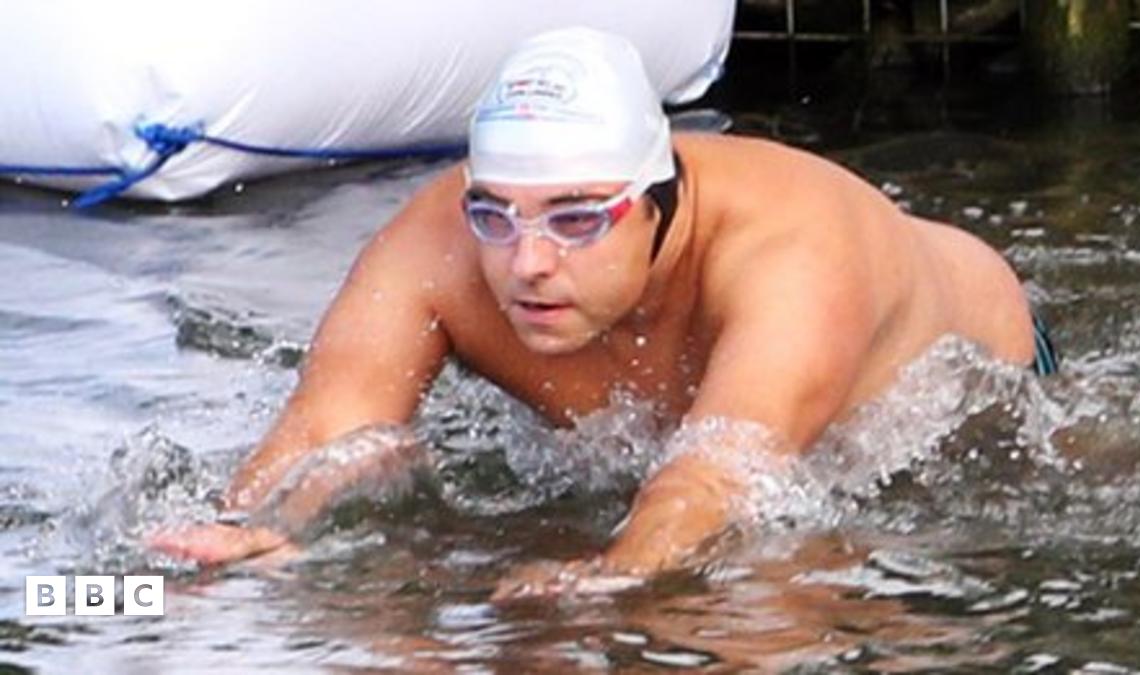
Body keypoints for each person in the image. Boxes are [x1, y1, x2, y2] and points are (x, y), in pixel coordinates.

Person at [151, 27, 1057, 595]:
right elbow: (327, 424)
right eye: (495, 214)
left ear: (662, 199)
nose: (529, 262)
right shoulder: (438, 245)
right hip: (711, 432)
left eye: (579, 218)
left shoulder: (796, 254)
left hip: (988, 404)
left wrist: (615, 573)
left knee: (763, 608)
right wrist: (250, 529)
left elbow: (717, 473)